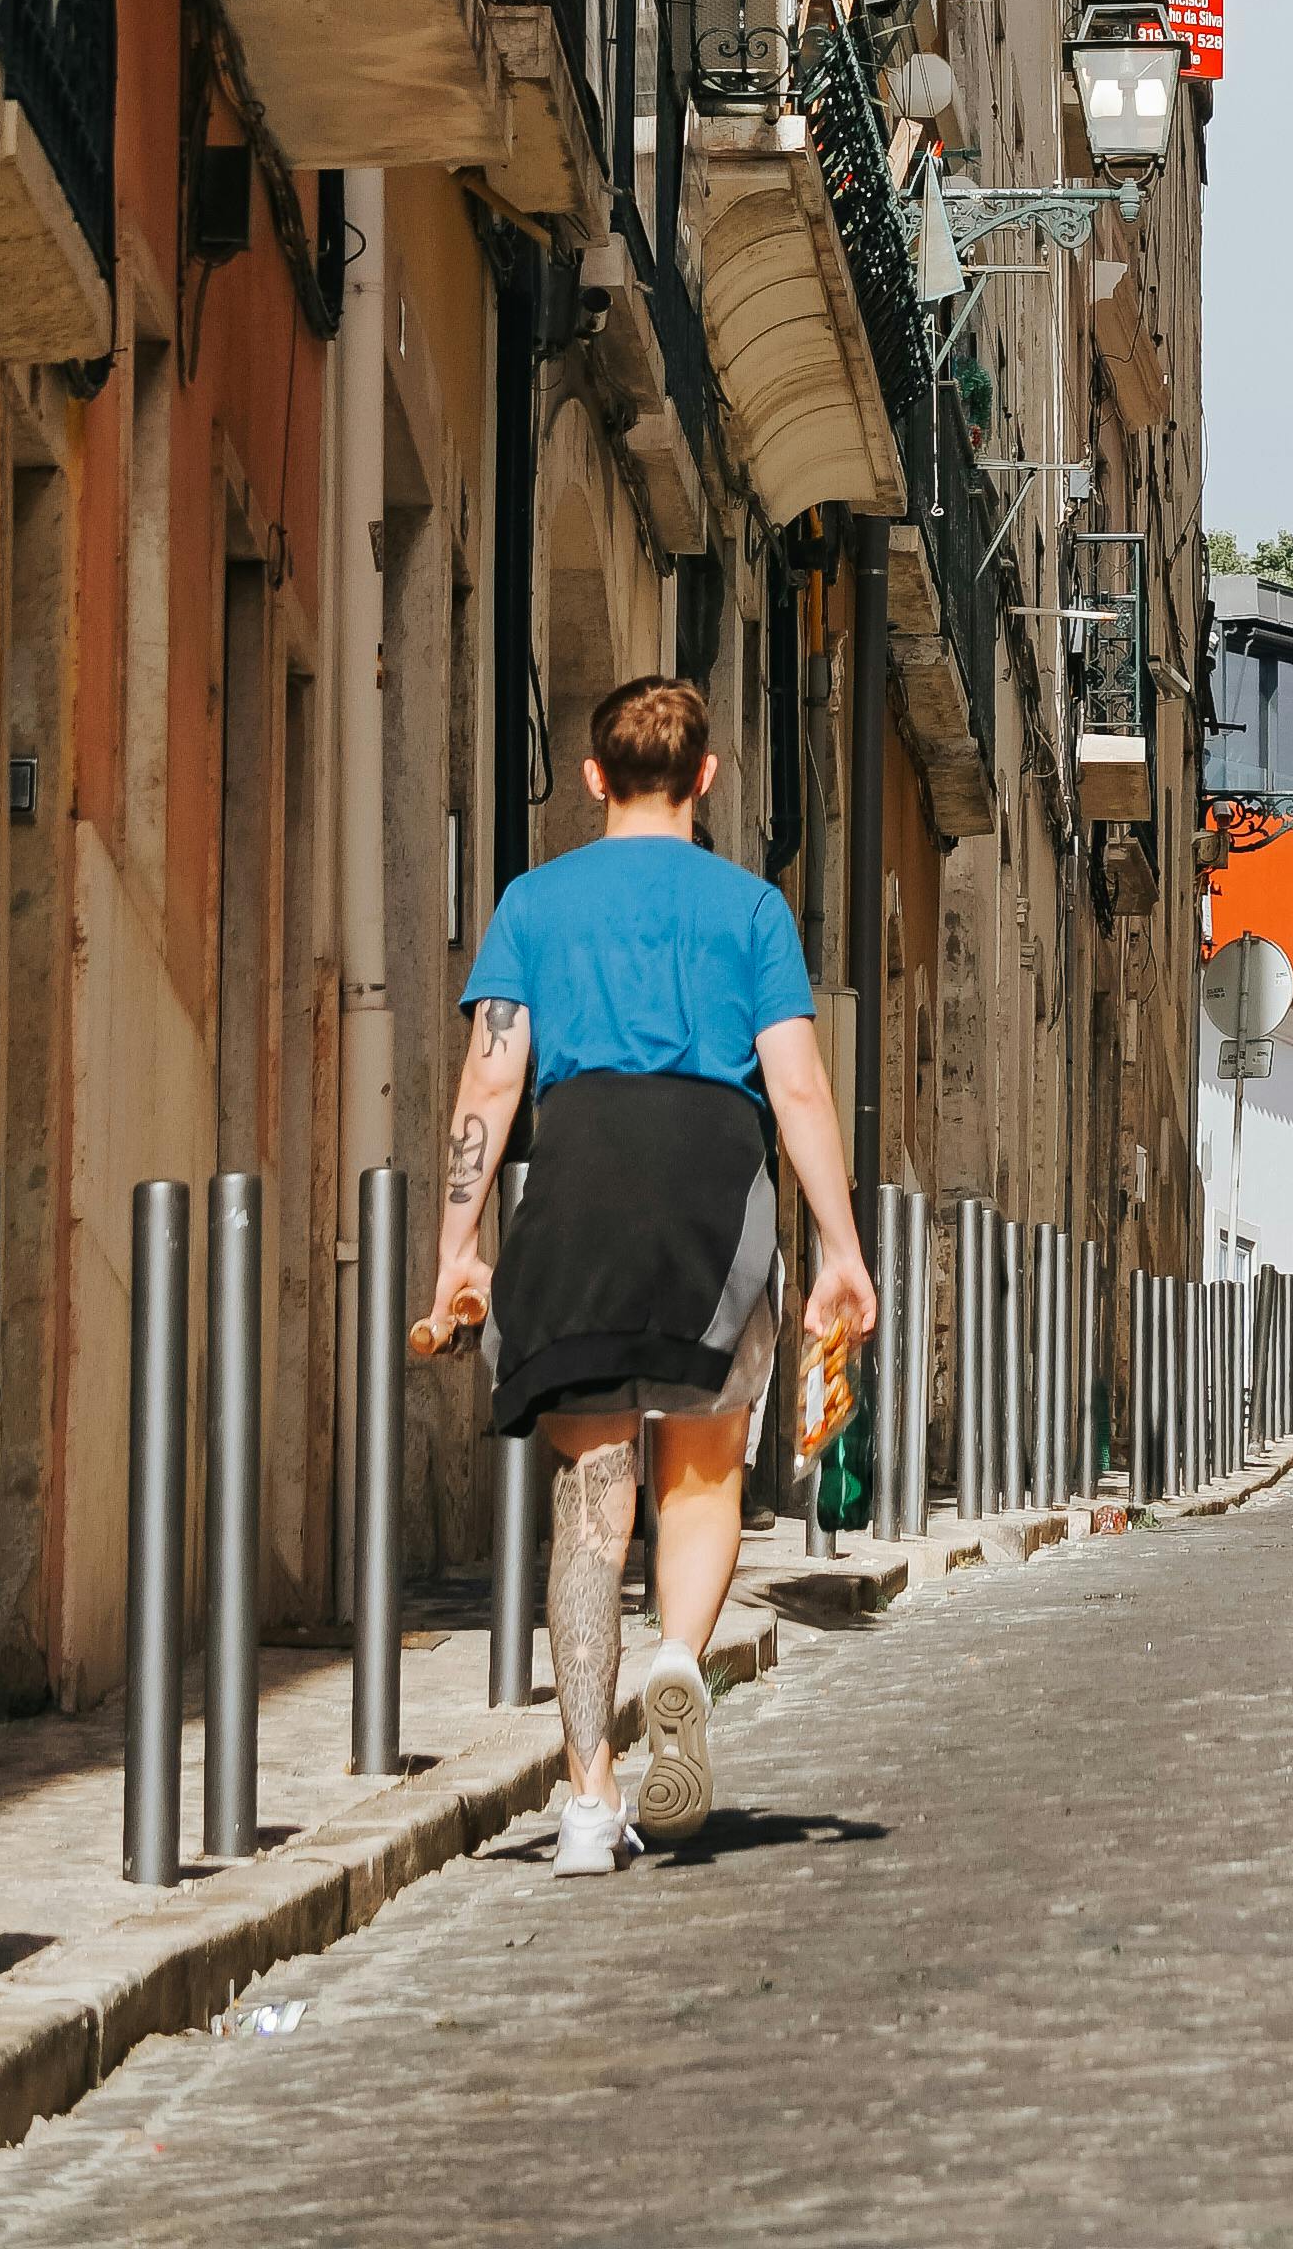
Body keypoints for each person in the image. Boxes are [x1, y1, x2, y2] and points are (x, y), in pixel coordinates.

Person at [419, 674, 877, 1874]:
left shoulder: (534, 902)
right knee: (704, 1464)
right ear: (707, 779)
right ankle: (678, 1660)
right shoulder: (749, 909)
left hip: (578, 1176)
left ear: (592, 778)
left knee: (591, 1491)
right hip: (710, 1180)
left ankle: (584, 1798)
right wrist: (839, 1244)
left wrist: (457, 1248)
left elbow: (489, 1084)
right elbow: (796, 1084)